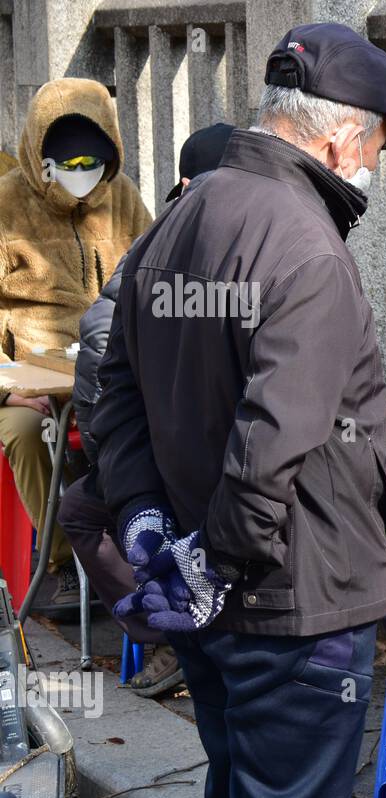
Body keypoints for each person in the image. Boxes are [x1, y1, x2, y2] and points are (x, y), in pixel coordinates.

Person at [93, 22, 386, 798]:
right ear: (343, 134)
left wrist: (146, 524)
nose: (375, 167)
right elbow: (274, 435)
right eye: (380, 145)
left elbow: (117, 388)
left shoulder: (185, 211)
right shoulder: (306, 248)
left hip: (215, 589)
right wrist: (217, 559)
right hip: (292, 596)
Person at [58, 123, 235, 697]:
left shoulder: (164, 245)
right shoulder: (263, 234)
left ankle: (166, 634)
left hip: (200, 468)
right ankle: (169, 629)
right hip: (191, 457)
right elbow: (101, 347)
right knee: (92, 503)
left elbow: (98, 362)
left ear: (183, 184)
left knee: (88, 508)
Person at [0, 78, 151, 607]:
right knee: (27, 428)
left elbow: (152, 280)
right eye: (68, 159)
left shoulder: (125, 198)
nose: (81, 174)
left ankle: (143, 555)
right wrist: (7, 390)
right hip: (27, 377)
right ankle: (66, 563)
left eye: (93, 160)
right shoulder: (6, 204)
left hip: (111, 367)